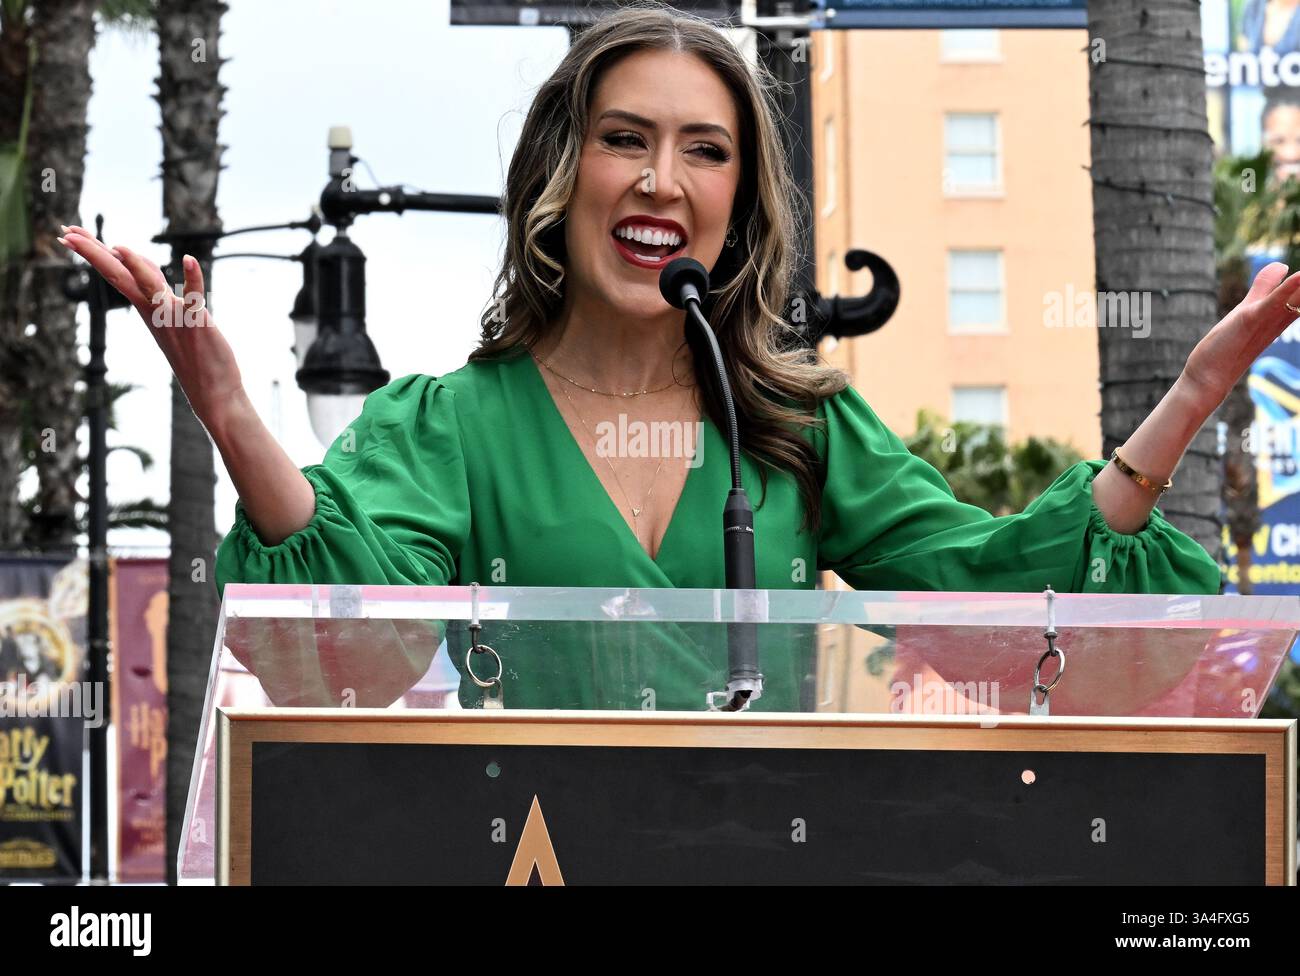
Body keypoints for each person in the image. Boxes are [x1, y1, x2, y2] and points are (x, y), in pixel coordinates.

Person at [55, 4, 1299, 707]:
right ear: (560, 171)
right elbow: (349, 647)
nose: (661, 179)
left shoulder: (800, 428)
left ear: (739, 200)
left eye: (705, 150)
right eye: (625, 139)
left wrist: (1185, 399)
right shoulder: (445, 428)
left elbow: (992, 602)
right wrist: (223, 401)